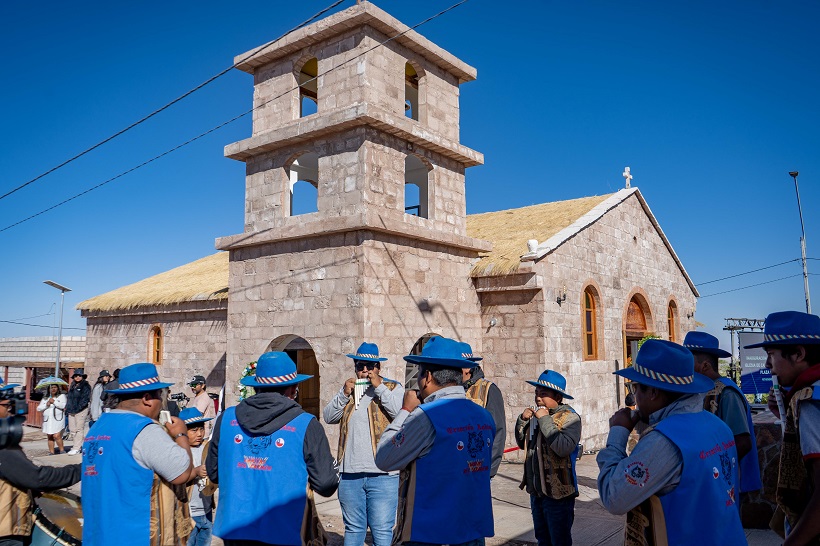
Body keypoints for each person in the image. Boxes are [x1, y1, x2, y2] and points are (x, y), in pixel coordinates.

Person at [597, 339, 745, 545]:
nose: (634, 397)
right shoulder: (718, 426)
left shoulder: (664, 440)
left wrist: (618, 433)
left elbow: (614, 497)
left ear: (653, 392)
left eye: (635, 388)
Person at [208, 351, 338, 545]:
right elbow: (326, 485)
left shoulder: (226, 419)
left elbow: (213, 473)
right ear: (292, 390)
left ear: (256, 388)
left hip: (235, 530)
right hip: (284, 531)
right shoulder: (306, 425)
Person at [375, 336, 495, 546]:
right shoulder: (484, 416)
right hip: (472, 529)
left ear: (428, 376)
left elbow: (384, 458)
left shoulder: (425, 417)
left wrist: (405, 410)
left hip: (431, 532)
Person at [81, 363, 196, 546]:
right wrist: (181, 434)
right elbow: (182, 473)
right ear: (147, 399)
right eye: (160, 396)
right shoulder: (144, 429)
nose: (162, 403)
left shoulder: (98, 427)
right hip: (135, 535)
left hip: (100, 533)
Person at [745, 311, 820, 544]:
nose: (767, 364)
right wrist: (785, 412)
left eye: (771, 354)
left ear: (798, 354)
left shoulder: (809, 403)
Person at [323, 342, 404, 546]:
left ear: (378, 367)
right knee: (353, 529)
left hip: (383, 475)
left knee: (382, 531)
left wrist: (380, 388)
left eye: (370, 366)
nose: (365, 371)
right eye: (360, 366)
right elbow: (329, 417)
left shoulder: (393, 388)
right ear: (355, 368)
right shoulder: (349, 392)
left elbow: (400, 414)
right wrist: (343, 394)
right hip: (350, 475)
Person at [0, 380, 81, 546]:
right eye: (6, 405)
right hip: (5, 534)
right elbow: (37, 478)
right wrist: (81, 469)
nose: (10, 411)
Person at [683, 331, 762, 497]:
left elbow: (742, 442)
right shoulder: (704, 391)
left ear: (705, 366)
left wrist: (712, 467)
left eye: (689, 363)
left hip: (723, 483)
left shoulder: (727, 393)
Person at [515, 370, 581, 546]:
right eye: (536, 392)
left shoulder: (570, 418)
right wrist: (522, 420)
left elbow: (563, 448)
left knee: (559, 541)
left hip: (559, 496)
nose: (538, 398)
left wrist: (544, 420)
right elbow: (522, 443)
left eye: (543, 394)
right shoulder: (536, 415)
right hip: (537, 492)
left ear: (558, 397)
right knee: (542, 539)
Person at [459, 342, 506, 478]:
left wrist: (489, 470)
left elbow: (498, 431)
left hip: (478, 468)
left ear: (467, 368)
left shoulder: (488, 390)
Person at [179, 407, 215, 546]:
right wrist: (195, 471)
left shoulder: (207, 447)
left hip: (206, 511)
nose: (199, 434)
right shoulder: (180, 451)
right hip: (189, 514)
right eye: (194, 430)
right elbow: (176, 479)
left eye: (201, 429)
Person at [65, 369, 91, 454]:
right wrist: (68, 408)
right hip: (71, 410)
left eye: (79, 376)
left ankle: (77, 447)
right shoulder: (72, 386)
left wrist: (78, 408)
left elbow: (85, 399)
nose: (77, 377)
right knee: (72, 429)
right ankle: (75, 445)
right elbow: (69, 398)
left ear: (82, 377)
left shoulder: (86, 386)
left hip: (81, 410)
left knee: (79, 429)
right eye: (76, 376)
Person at [37, 383, 67, 455]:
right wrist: (46, 405)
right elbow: (39, 408)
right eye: (51, 387)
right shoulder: (45, 398)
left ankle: (62, 450)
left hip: (58, 419)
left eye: (55, 387)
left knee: (56, 435)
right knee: (50, 436)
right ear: (49, 389)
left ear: (58, 388)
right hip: (48, 420)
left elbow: (63, 405)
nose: (53, 389)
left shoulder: (61, 396)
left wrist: (54, 402)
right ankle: (51, 452)